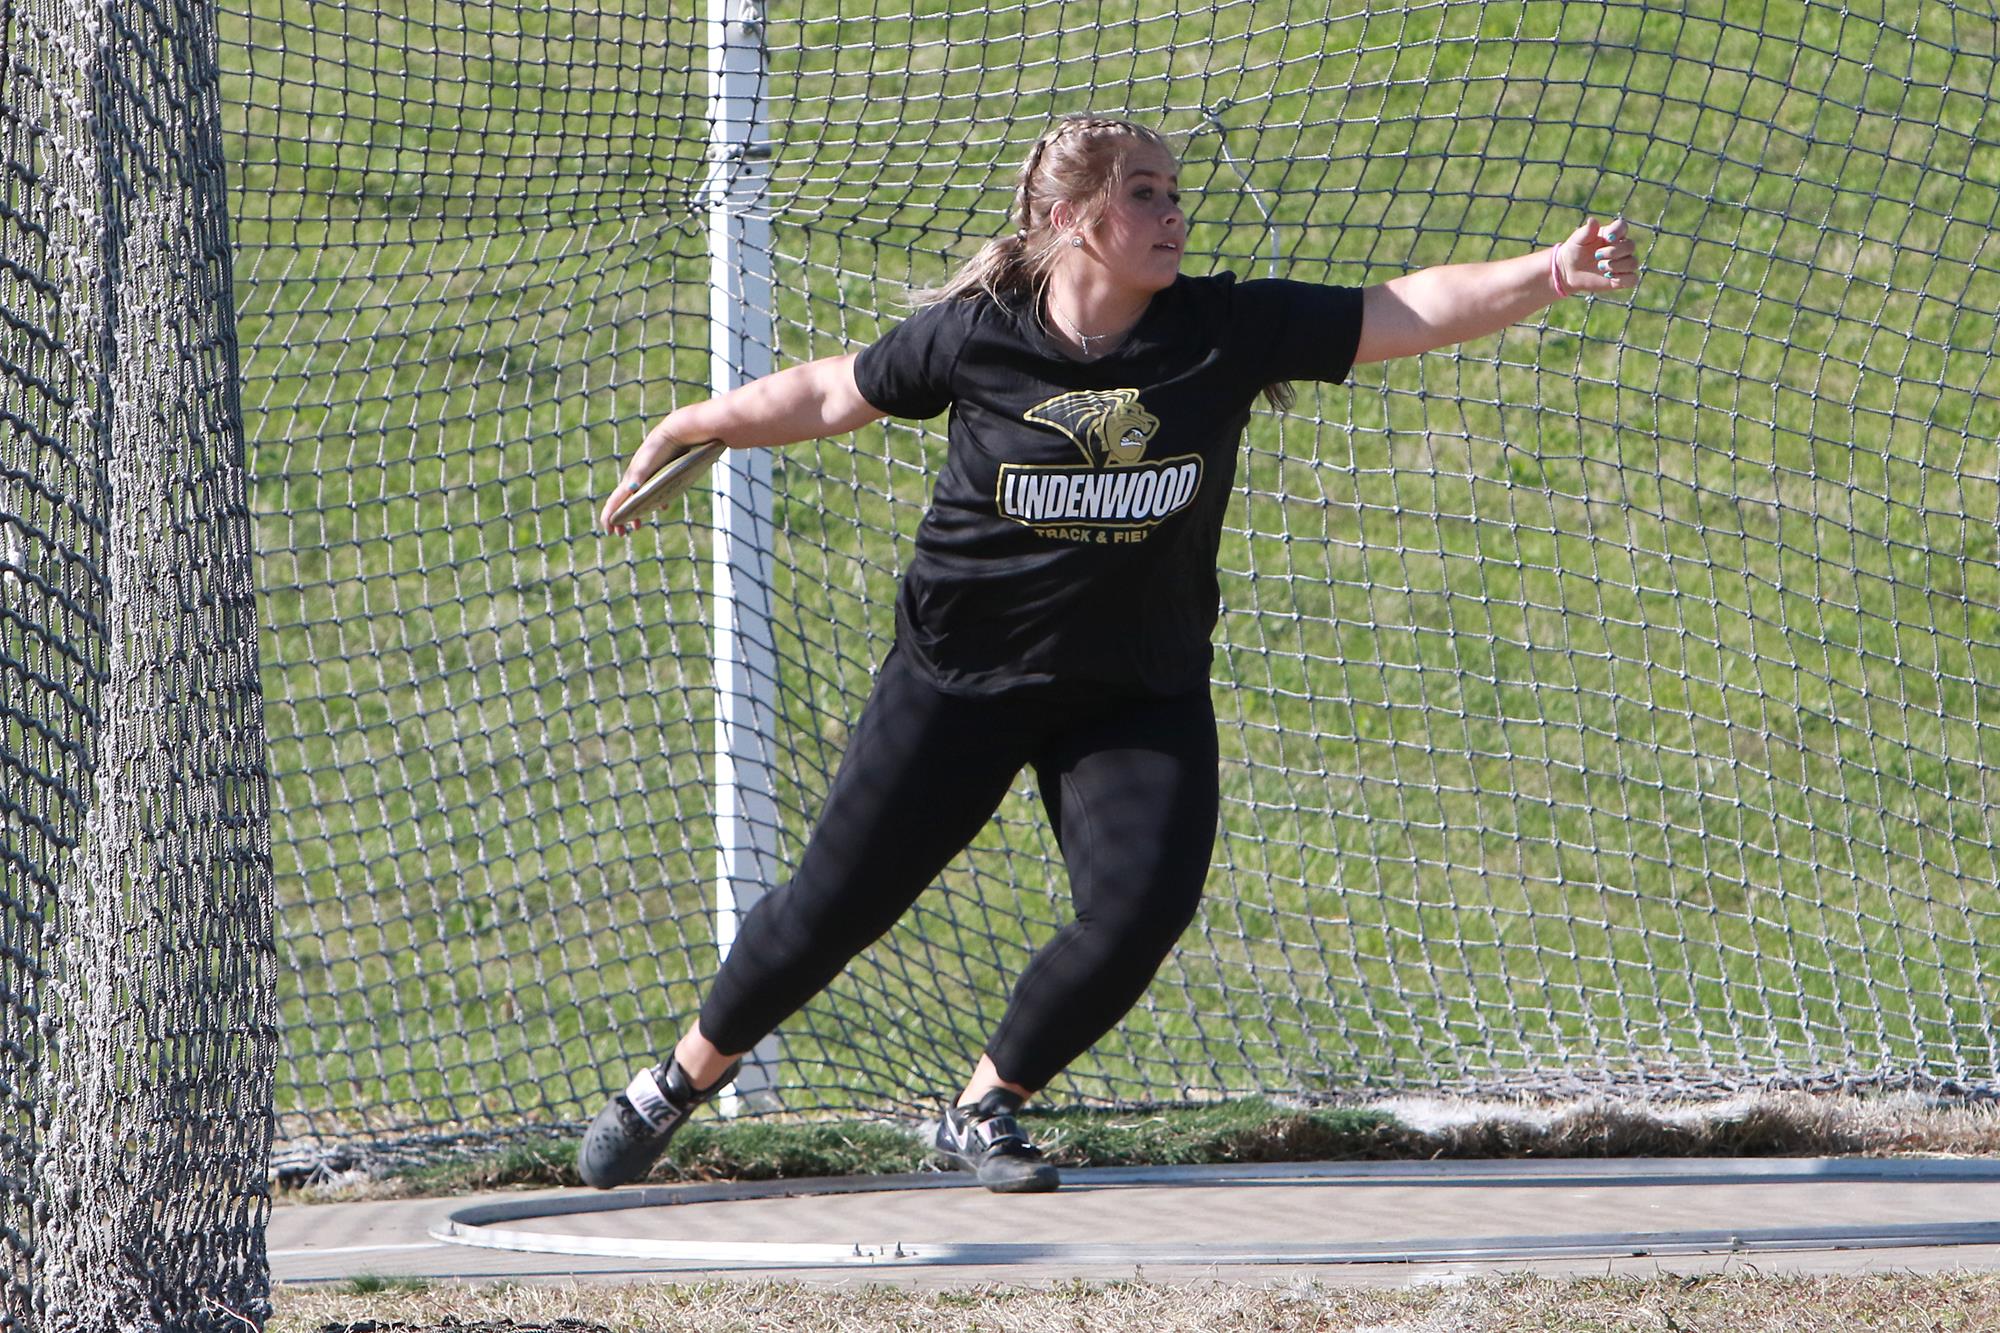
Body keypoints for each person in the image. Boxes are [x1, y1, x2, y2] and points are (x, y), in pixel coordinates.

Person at [582, 114, 1640, 1193]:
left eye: (1172, 189)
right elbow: (826, 393)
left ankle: (985, 1105)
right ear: (1067, 220)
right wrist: (692, 422)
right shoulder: (977, 333)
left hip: (1133, 688)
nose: (1171, 210)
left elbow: (1403, 309)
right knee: (830, 910)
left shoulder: (1224, 328)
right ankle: (671, 1083)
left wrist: (1550, 273)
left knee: (1141, 906)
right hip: (960, 678)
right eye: (1142, 192)